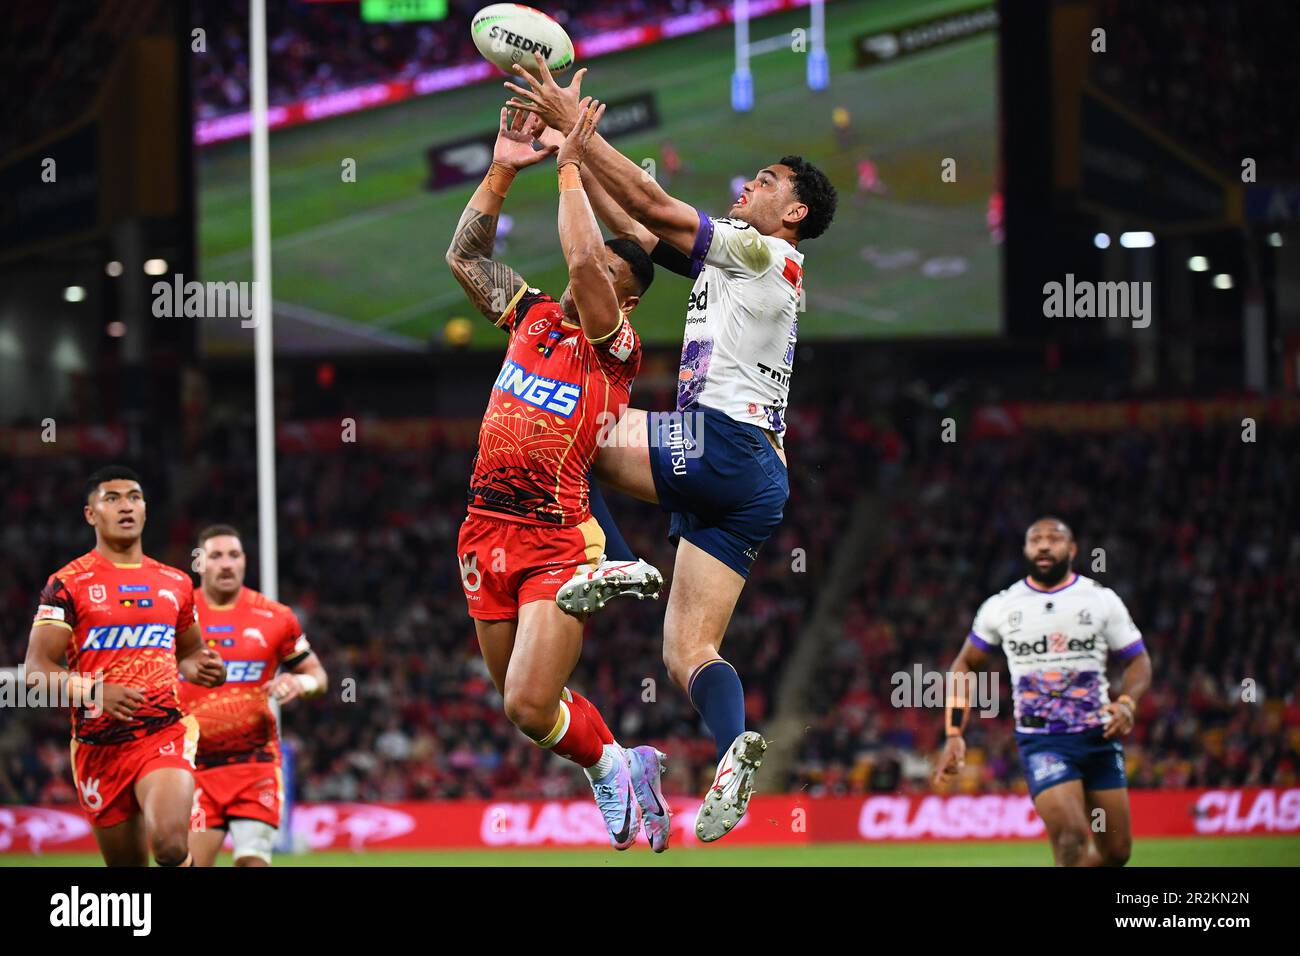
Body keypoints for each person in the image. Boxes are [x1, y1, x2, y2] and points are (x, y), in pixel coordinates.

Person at [506, 54, 838, 842]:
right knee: (689, 652)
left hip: (718, 442)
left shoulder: (764, 252)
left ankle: (608, 561)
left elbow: (655, 199)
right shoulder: (737, 262)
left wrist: (580, 139)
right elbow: (641, 225)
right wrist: (569, 154)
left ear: (791, 213)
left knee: (564, 434)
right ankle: (732, 752)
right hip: (752, 479)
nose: (747, 185)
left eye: (764, 181)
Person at [444, 103, 670, 851]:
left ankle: (608, 765)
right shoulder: (534, 316)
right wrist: (505, 166)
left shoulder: (618, 351)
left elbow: (580, 261)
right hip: (484, 530)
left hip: (558, 537)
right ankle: (619, 761)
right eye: (593, 265)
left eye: (607, 272)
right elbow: (465, 259)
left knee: (530, 702)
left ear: (627, 298)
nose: (586, 274)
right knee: (526, 710)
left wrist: (569, 162)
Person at [23, 465, 226, 866]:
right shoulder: (67, 583)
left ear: (146, 510)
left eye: (134, 497)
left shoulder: (176, 582)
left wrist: (203, 667)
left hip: (162, 730)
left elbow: (189, 653)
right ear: (90, 514)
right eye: (112, 499)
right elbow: (35, 670)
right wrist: (95, 691)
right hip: (99, 747)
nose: (126, 506)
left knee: (169, 844)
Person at [932, 517, 1152, 866]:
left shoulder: (1101, 600)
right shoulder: (1002, 606)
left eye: (1054, 538)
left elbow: (1137, 661)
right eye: (1036, 539)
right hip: (1043, 742)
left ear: (1073, 549)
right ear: (1026, 550)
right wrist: (955, 733)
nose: (1045, 545)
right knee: (1071, 836)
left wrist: (1127, 702)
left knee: (1117, 853)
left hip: (1099, 737)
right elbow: (964, 665)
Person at [183, 524, 327, 866]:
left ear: (245, 561)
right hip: (192, 766)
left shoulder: (275, 617)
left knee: (253, 862)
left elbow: (318, 676)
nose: (227, 564)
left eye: (234, 555)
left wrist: (298, 684)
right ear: (199, 564)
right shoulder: (177, 615)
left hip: (255, 764)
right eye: (215, 556)